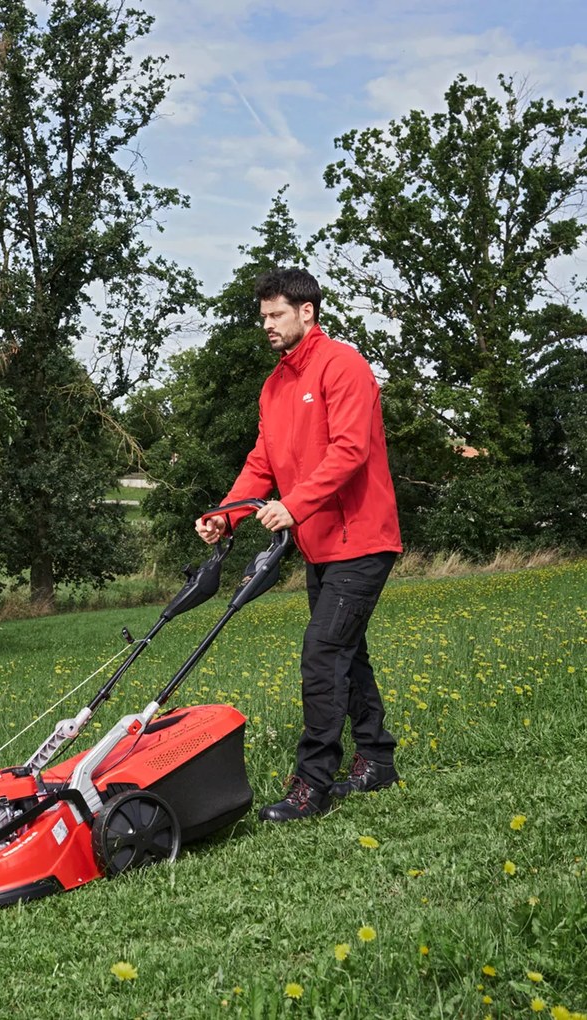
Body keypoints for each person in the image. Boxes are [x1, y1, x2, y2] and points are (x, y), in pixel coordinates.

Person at [195, 267, 402, 822]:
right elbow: (262, 462)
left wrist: (295, 504)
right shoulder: (275, 384)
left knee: (323, 654)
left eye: (275, 314)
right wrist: (227, 516)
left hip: (361, 537)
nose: (266, 324)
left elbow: (350, 450)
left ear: (307, 312)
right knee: (346, 652)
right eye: (262, 316)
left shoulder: (344, 367)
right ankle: (376, 759)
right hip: (319, 544)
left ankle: (311, 784)